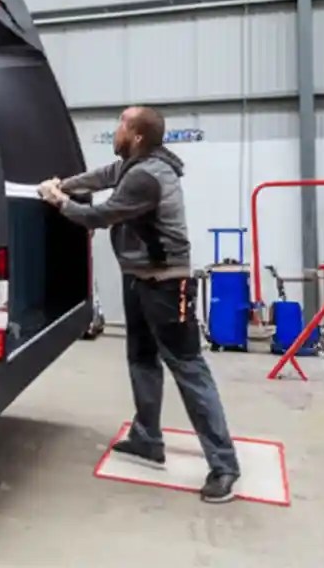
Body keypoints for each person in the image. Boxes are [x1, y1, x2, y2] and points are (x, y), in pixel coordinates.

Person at [38, 106, 241, 503]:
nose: (115, 130)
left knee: (188, 369)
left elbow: (98, 216)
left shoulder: (146, 177)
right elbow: (101, 177)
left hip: (167, 286)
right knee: (141, 358)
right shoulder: (136, 164)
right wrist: (63, 182)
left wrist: (59, 201)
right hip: (140, 280)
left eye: (120, 125)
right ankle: (147, 438)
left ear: (136, 135)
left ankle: (224, 465)